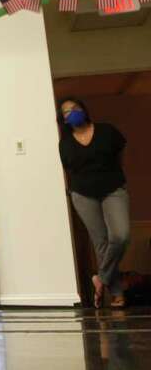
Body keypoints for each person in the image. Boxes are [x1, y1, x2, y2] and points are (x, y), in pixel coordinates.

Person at [58, 97, 130, 308]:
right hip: (83, 195)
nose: (72, 112)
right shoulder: (65, 143)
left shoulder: (107, 131)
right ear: (63, 119)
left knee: (121, 235)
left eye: (75, 108)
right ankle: (116, 294)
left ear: (84, 109)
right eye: (67, 111)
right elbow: (69, 171)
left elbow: (121, 157)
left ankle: (101, 277)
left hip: (113, 189)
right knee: (101, 242)